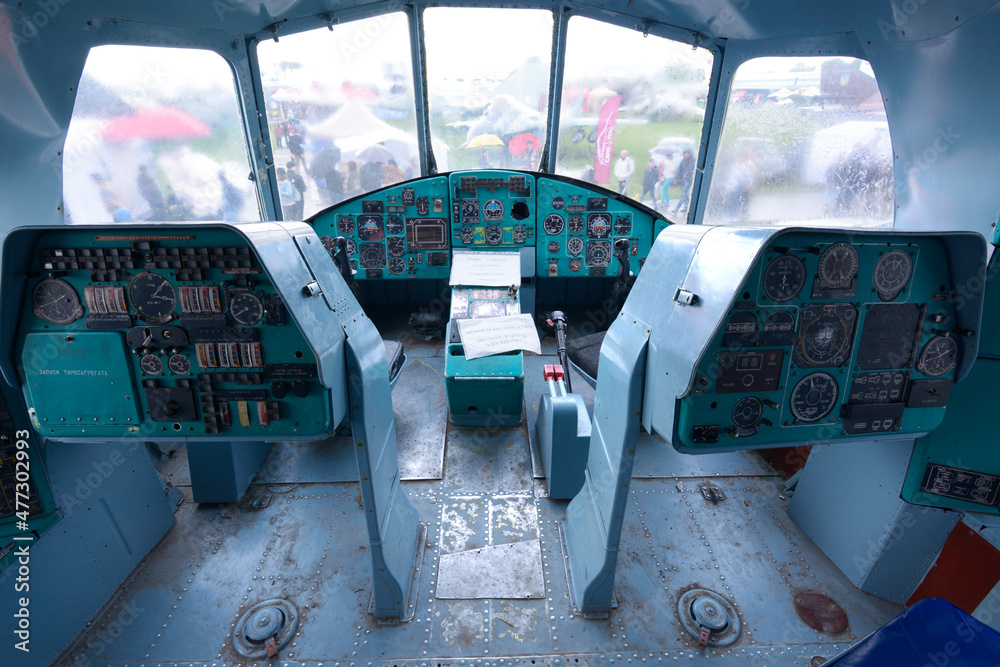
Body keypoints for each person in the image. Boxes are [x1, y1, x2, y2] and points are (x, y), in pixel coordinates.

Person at [672, 149, 695, 215]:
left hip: (689, 180)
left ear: (690, 154)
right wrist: (676, 179)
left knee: (683, 193)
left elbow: (693, 171)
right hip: (683, 180)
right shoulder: (683, 161)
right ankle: (687, 206)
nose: (686, 155)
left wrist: (690, 176)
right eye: (685, 153)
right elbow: (679, 170)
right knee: (684, 193)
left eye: (688, 153)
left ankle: (677, 207)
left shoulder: (693, 161)